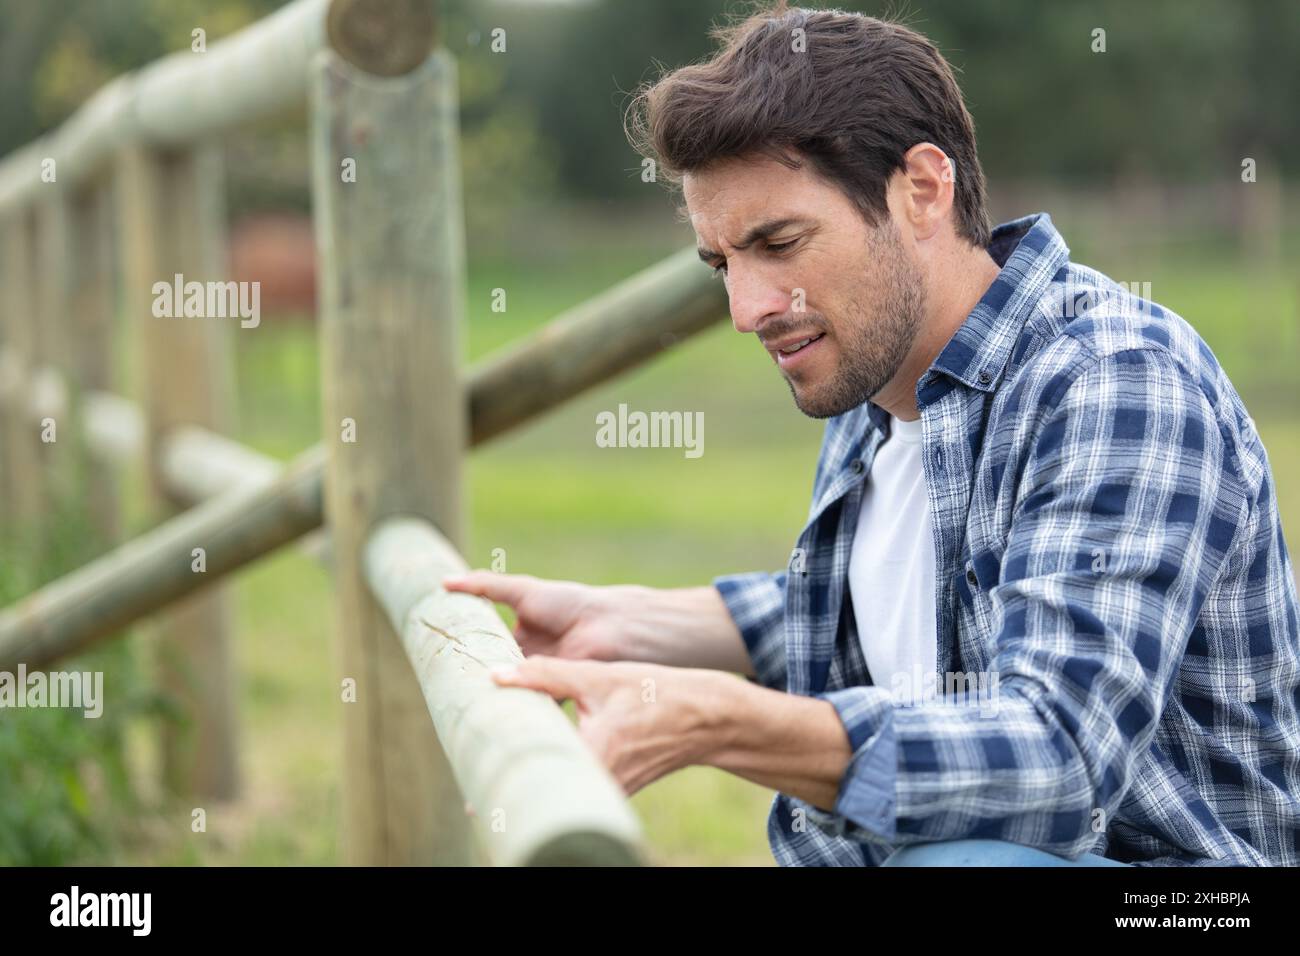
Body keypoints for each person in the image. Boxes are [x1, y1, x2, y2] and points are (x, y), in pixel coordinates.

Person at [445, 3, 1300, 866]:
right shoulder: (875, 376)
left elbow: (1059, 756)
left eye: (779, 241)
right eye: (723, 265)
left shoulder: (1115, 380)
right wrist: (628, 622)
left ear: (923, 189)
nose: (746, 311)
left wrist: (711, 718)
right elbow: (908, 602)